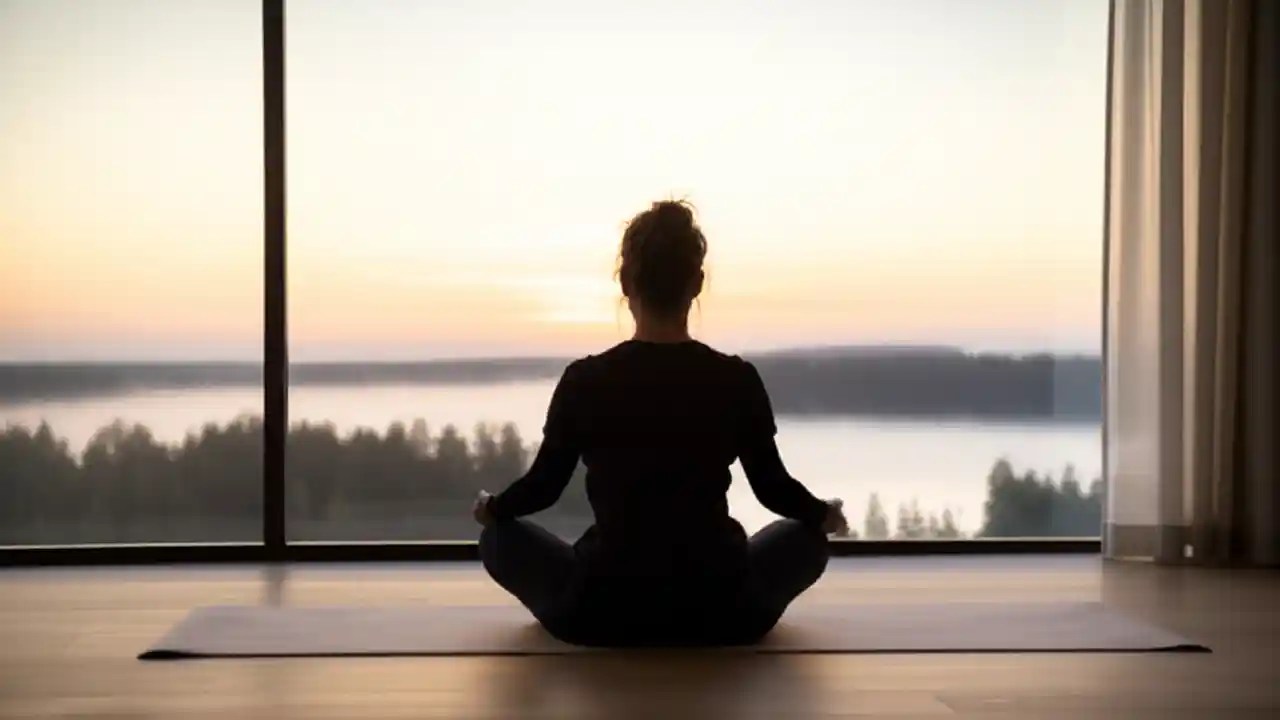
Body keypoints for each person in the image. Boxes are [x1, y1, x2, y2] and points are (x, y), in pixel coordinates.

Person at [472, 200, 849, 647]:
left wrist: (492, 508)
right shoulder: (735, 379)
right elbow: (773, 488)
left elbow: (544, 486)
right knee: (804, 539)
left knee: (499, 540)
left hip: (602, 611)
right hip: (725, 610)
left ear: (627, 283)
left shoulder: (585, 379)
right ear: (697, 283)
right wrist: (825, 515)